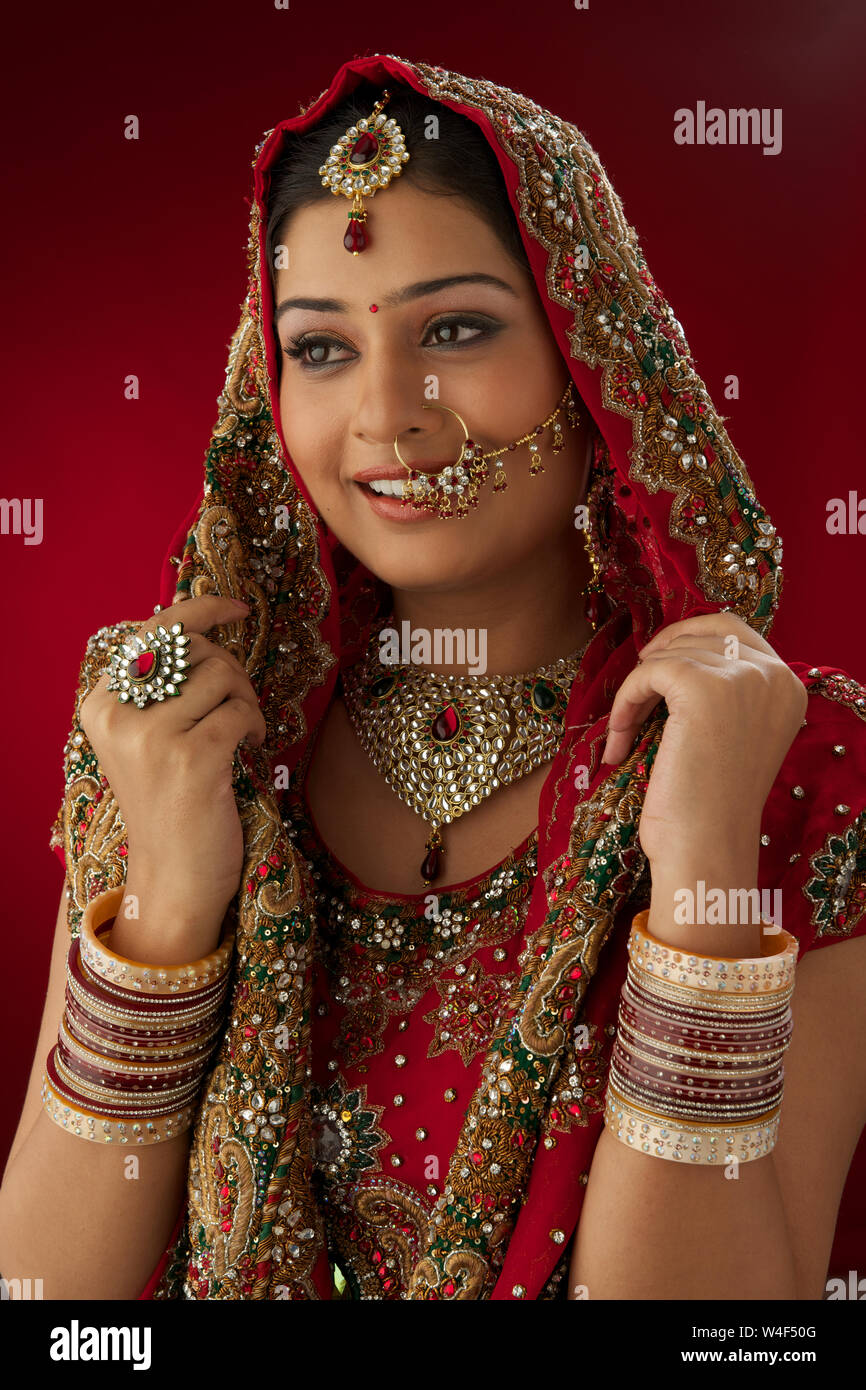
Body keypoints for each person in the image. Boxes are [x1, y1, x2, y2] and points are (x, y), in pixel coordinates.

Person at [2, 51, 865, 1302]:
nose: (383, 415)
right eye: (320, 347)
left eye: (453, 329)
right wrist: (171, 908)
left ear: (588, 355)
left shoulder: (793, 765)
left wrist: (698, 886)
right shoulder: (182, 735)